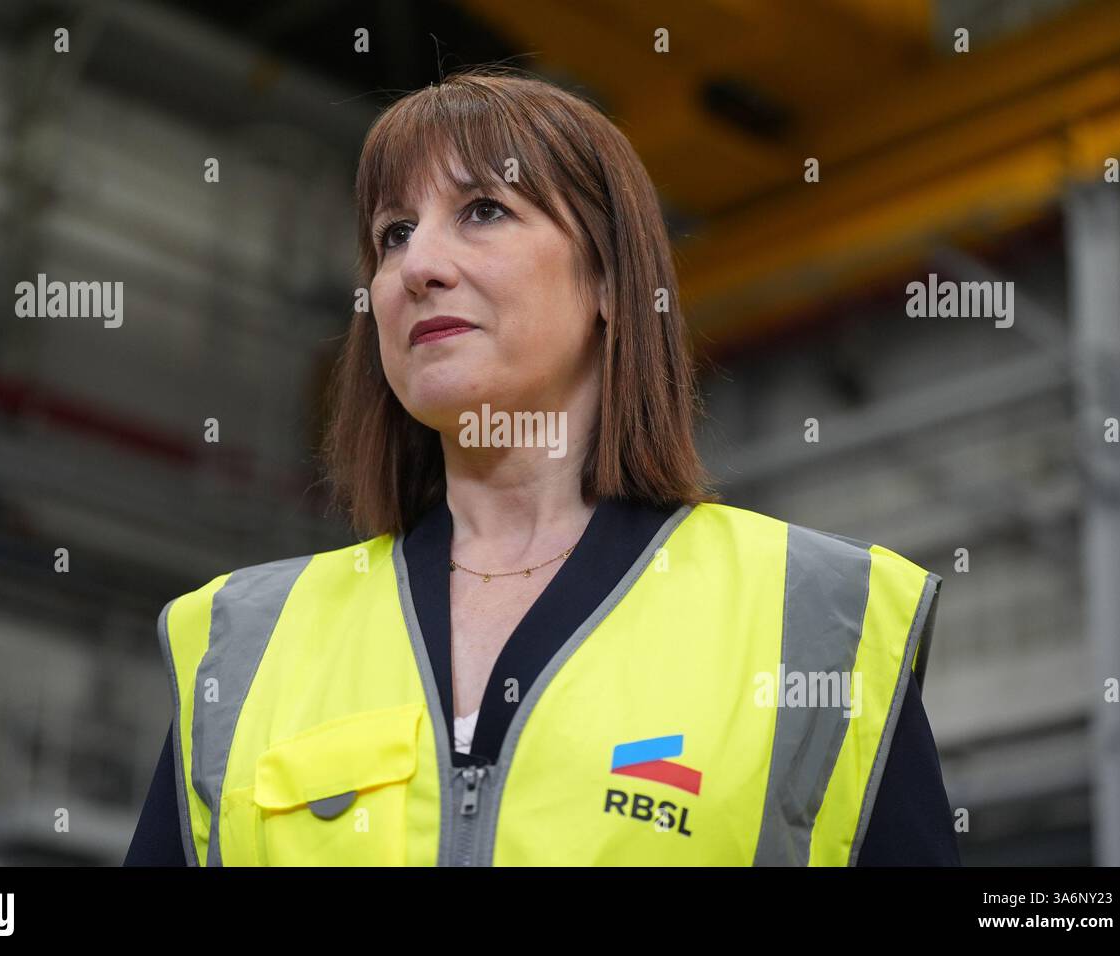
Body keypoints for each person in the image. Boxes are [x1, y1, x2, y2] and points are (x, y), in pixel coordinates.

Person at [125, 65, 960, 867]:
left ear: (608, 279)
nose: (418, 266)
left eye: (484, 210)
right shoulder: (241, 645)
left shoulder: (819, 622)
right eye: (393, 234)